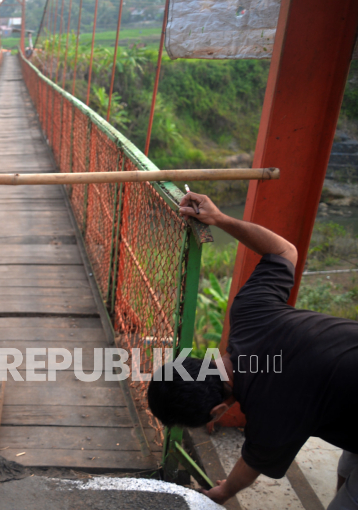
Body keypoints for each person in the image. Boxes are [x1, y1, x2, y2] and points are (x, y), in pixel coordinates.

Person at [147, 191, 358, 509]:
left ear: (217, 411)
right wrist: (219, 219)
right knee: (348, 462)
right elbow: (285, 250)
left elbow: (254, 459)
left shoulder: (270, 410)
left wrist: (222, 493)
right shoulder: (250, 313)